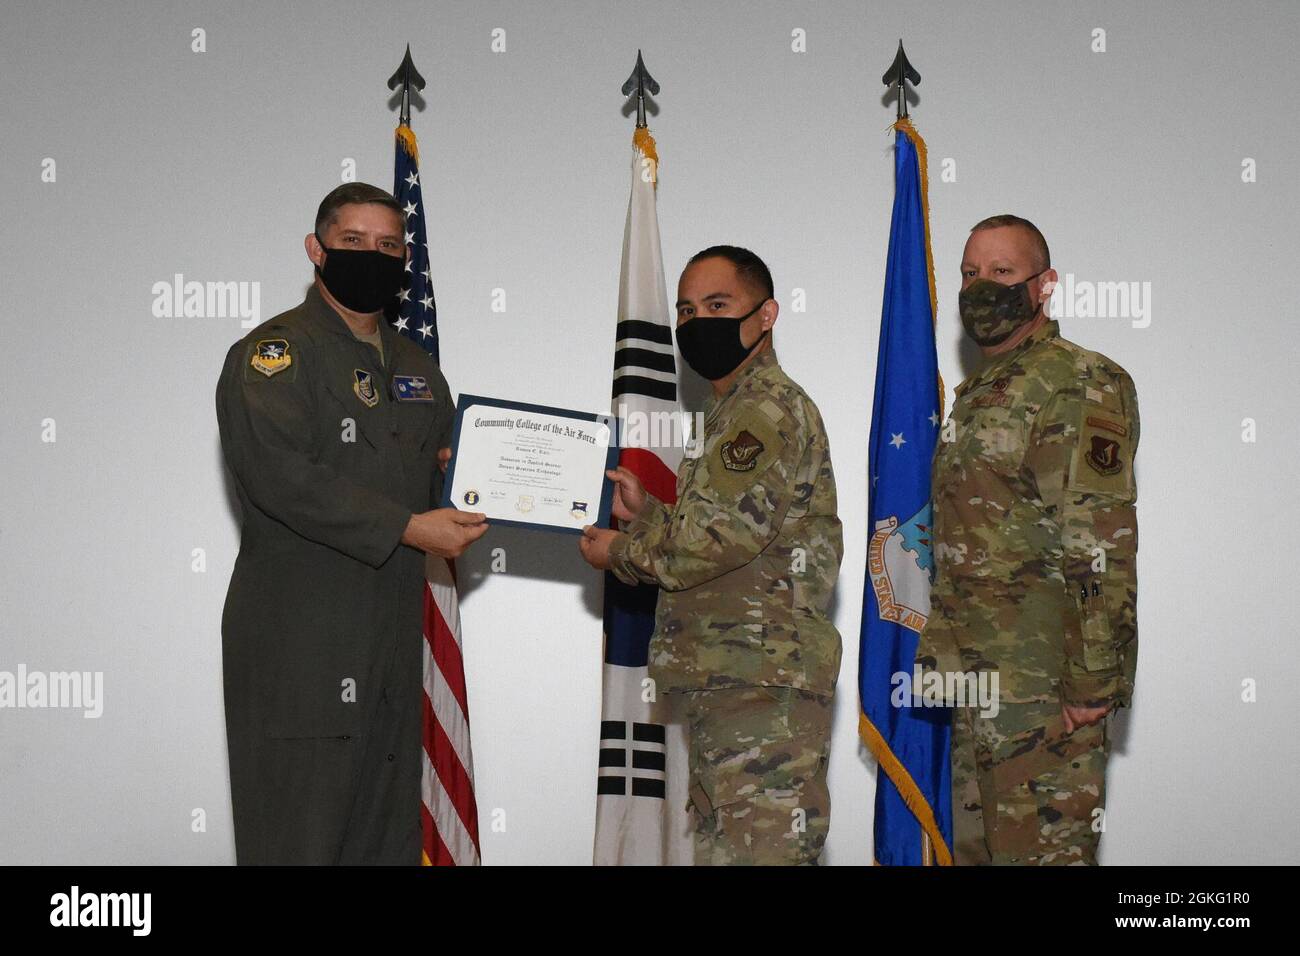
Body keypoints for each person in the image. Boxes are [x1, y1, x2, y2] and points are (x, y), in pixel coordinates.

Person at [215, 182, 487, 864]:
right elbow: (281, 476)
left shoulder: (420, 369)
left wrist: (469, 477)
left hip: (394, 643)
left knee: (385, 840)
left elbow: (439, 488)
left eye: (389, 246)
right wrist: (408, 527)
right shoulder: (275, 354)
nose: (374, 256)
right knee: (300, 839)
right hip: (305, 644)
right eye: (353, 242)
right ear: (316, 250)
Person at [578, 245, 842, 865]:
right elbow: (732, 537)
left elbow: (709, 544)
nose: (699, 324)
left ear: (767, 314)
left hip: (758, 689)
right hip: (734, 683)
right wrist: (650, 515)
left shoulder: (762, 410)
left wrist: (621, 550)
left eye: (718, 305)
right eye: (687, 311)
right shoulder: (729, 413)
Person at [917, 214, 1140, 865]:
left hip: (1045, 695)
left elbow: (1100, 540)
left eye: (1002, 272)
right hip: (977, 688)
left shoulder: (1075, 382)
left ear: (1045, 286)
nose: (980, 286)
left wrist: (1092, 685)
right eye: (969, 272)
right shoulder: (980, 394)